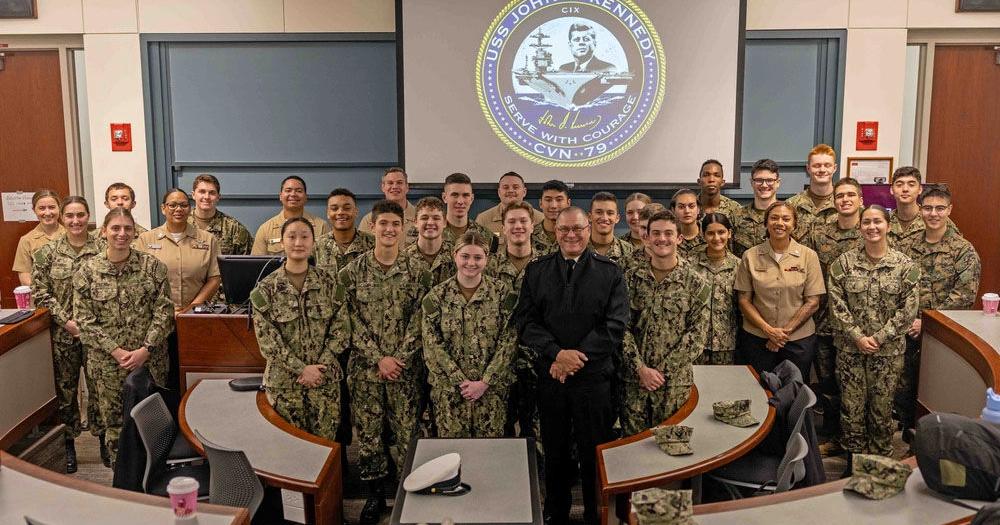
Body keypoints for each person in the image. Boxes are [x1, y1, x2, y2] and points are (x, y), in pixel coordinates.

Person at [514, 206, 629, 525]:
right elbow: (525, 321)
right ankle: (557, 512)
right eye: (564, 229)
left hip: (594, 380)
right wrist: (556, 354)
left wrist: (573, 357)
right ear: (555, 231)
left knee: (595, 452)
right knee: (555, 449)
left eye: (577, 229)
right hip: (552, 377)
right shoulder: (537, 271)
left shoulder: (610, 272)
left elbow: (615, 324)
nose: (571, 235)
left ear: (589, 229)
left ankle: (596, 513)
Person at [339, 200, 428, 525]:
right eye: (383, 224)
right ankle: (375, 496)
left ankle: (410, 494)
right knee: (370, 437)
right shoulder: (351, 274)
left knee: (408, 437)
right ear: (373, 227)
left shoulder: (419, 273)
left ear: (404, 229)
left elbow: (421, 323)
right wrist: (379, 359)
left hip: (405, 373)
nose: (389, 230)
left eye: (395, 224)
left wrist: (398, 359)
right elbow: (348, 321)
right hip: (366, 373)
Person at [72, 207, 174, 467]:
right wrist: (116, 351)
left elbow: (164, 312)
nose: (121, 234)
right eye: (115, 228)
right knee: (116, 424)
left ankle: (155, 475)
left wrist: (145, 349)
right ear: (104, 231)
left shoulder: (153, 267)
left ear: (135, 232)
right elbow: (84, 320)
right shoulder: (87, 272)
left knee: (153, 420)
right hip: (108, 364)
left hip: (149, 361)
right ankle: (123, 477)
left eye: (128, 228)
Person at [827, 205, 919, 459]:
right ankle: (853, 461)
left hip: (887, 353)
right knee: (851, 408)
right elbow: (837, 306)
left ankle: (880, 459)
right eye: (866, 222)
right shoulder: (843, 264)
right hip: (850, 350)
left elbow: (908, 311)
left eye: (877, 222)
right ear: (860, 228)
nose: (872, 227)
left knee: (882, 409)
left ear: (888, 226)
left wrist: (878, 338)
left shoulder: (905, 266)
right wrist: (857, 336)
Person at [250, 217, 347, 442]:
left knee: (325, 447)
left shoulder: (330, 285)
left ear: (313, 242)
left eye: (304, 236)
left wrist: (318, 369)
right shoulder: (266, 289)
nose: (298, 242)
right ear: (282, 242)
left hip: (324, 383)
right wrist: (302, 369)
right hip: (286, 385)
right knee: (289, 447)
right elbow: (268, 342)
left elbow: (341, 331)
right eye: (291, 236)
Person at [895, 184, 980, 434]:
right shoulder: (907, 246)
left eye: (940, 208)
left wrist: (927, 323)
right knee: (904, 391)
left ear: (949, 210)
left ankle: (931, 442)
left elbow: (963, 297)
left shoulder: (963, 251)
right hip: (906, 331)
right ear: (920, 210)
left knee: (934, 395)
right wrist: (907, 321)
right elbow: (897, 285)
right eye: (928, 208)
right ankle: (908, 439)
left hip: (942, 338)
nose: (934, 213)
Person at [31, 196, 107, 472]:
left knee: (100, 390)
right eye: (70, 215)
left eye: (81, 215)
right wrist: (67, 322)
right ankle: (68, 445)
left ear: (89, 216)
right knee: (65, 392)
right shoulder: (47, 254)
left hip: (98, 335)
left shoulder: (104, 248)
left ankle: (103, 442)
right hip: (64, 335)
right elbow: (41, 294)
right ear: (62, 218)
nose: (76, 221)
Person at [422, 231, 518, 438]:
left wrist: (484, 382)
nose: (471, 263)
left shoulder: (503, 294)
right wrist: (460, 381)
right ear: (454, 255)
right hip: (450, 391)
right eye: (465, 256)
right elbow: (432, 345)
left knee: (489, 452)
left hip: (491, 391)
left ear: (487, 259)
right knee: (452, 453)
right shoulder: (437, 296)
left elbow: (509, 341)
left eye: (478, 257)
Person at [621, 210, 709, 436]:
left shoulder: (696, 282)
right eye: (656, 233)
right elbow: (621, 329)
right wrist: (641, 369)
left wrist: (659, 372)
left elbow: (697, 336)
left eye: (669, 233)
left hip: (674, 386)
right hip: (634, 383)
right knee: (633, 448)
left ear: (679, 238)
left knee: (673, 451)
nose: (662, 239)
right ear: (647, 237)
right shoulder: (629, 279)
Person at [135, 189, 221, 398]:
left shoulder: (207, 239)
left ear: (190, 209)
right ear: (163, 208)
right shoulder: (146, 240)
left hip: (194, 318)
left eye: (183, 205)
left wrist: (191, 307)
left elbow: (215, 277)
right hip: (157, 319)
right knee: (161, 374)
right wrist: (169, 310)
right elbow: (140, 281)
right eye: (172, 205)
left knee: (191, 369)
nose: (178, 209)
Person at [734, 201, 825, 379]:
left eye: (786, 219)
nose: (780, 223)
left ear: (794, 224)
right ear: (766, 223)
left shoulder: (808, 256)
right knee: (761, 392)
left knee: (795, 394)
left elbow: (813, 302)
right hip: (758, 338)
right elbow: (744, 300)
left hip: (798, 341)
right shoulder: (750, 256)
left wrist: (782, 334)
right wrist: (768, 330)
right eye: (774, 218)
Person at [807, 177, 864, 448]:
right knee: (829, 382)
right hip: (825, 323)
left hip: (860, 325)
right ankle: (832, 436)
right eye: (840, 195)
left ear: (860, 200)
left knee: (855, 386)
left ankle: (856, 439)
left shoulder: (871, 230)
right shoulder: (820, 233)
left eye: (851, 195)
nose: (845, 200)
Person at [486, 201, 538, 439]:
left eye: (523, 221)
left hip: (536, 362)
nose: (518, 226)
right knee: (500, 429)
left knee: (535, 429)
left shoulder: (547, 266)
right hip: (496, 363)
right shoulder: (487, 267)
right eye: (512, 222)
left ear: (532, 226)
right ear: (503, 228)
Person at [691, 213, 740, 365]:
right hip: (695, 341)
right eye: (710, 233)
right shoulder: (690, 263)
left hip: (726, 343)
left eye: (721, 232)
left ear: (729, 233)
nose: (716, 238)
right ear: (703, 234)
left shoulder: (739, 265)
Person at [418, 172, 498, 252]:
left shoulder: (486, 236)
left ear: (472, 199)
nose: (460, 201)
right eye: (455, 195)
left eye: (465, 195)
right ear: (444, 197)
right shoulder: (427, 231)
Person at [251, 176, 329, 255]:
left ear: (306, 197)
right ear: (280, 196)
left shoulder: (321, 226)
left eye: (299, 191)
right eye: (288, 190)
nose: (293, 194)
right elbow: (257, 265)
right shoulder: (265, 229)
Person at [888, 166, 960, 246]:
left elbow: (956, 248)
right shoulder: (883, 221)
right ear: (891, 189)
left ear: (920, 189)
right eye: (899, 185)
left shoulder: (937, 220)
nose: (905, 189)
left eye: (911, 185)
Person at [314, 188, 375, 276]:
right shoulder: (317, 246)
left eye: (347, 208)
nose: (340, 212)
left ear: (356, 212)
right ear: (328, 213)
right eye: (334, 209)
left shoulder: (373, 245)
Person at [188, 173, 252, 256]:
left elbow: (248, 262)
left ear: (218, 197)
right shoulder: (181, 223)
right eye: (202, 192)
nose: (207, 197)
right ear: (193, 195)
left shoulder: (233, 228)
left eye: (212, 193)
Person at [785, 144, 839, 241]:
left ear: (834, 168)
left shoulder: (844, 204)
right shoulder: (791, 205)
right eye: (816, 166)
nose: (822, 170)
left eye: (827, 165)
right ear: (808, 168)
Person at [13, 189, 64, 286]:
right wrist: (44, 293)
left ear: (59, 208)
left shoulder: (70, 235)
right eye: (42, 208)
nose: (48, 213)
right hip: (41, 298)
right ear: (34, 210)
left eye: (52, 207)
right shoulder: (26, 240)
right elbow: (25, 277)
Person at [403, 196, 456, 288]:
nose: (430, 222)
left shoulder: (457, 258)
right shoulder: (402, 260)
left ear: (444, 223)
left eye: (436, 218)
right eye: (424, 218)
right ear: (415, 222)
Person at [733, 159, 781, 256]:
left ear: (778, 182)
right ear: (752, 182)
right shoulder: (736, 216)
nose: (764, 185)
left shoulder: (787, 217)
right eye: (759, 180)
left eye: (769, 180)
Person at [475, 171, 545, 234]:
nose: (510, 190)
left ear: (524, 192)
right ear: (499, 192)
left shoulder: (540, 219)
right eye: (506, 187)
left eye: (515, 187)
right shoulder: (483, 220)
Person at [359, 167, 417, 237]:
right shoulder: (368, 220)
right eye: (390, 183)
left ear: (407, 187)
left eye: (399, 183)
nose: (395, 186)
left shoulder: (419, 217)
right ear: (383, 187)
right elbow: (363, 246)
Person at [588, 192, 634, 265]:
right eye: (599, 212)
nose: (604, 218)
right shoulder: (579, 248)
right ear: (589, 217)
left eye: (610, 213)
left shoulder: (629, 251)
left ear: (617, 218)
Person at [532, 179, 572, 255]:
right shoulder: (528, 236)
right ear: (540, 203)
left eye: (559, 200)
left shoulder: (576, 236)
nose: (553, 205)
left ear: (568, 203)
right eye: (548, 200)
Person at [671, 189, 705, 257]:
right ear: (673, 210)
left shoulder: (708, 234)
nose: (687, 211)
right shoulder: (668, 236)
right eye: (681, 207)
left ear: (698, 209)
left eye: (691, 206)